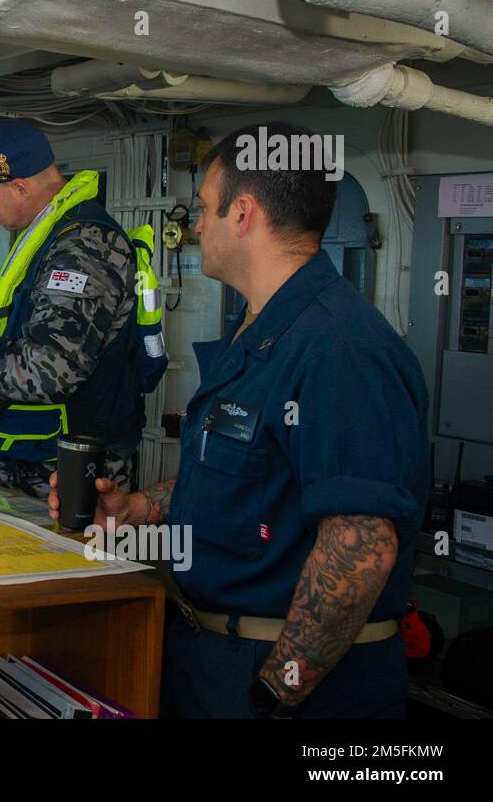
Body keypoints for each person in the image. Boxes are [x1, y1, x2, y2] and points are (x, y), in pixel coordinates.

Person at [49, 121, 429, 718]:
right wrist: (135, 509)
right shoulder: (264, 329)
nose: (195, 226)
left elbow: (361, 544)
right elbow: (240, 475)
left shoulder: (338, 349)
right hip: (210, 654)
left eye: (203, 209)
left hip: (284, 681)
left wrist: (276, 690)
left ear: (243, 213)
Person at [0, 119, 144, 497]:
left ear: (20, 187)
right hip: (30, 456)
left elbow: (51, 369)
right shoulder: (47, 236)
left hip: (70, 470)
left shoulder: (82, 248)